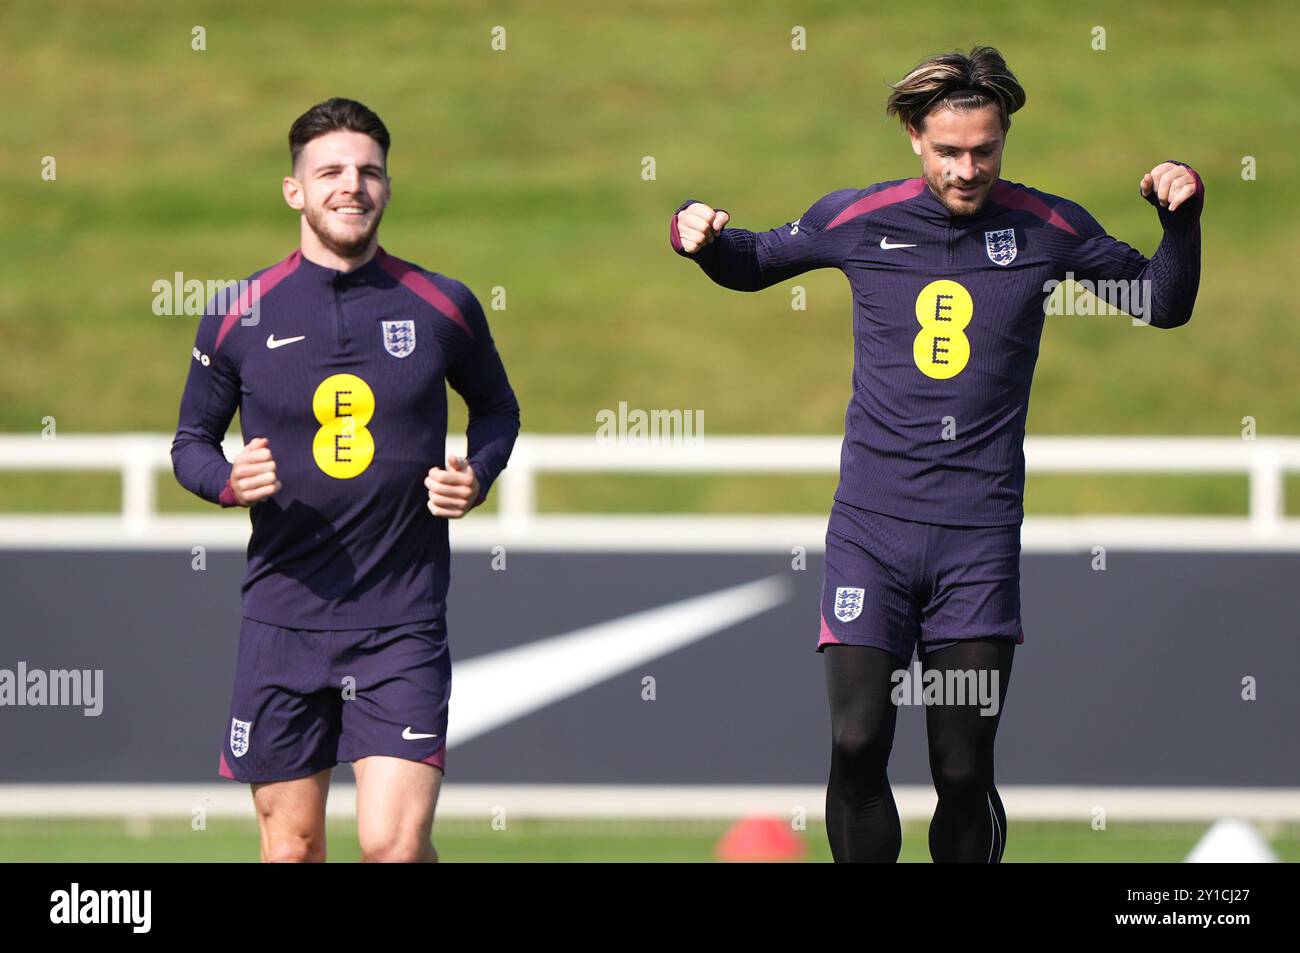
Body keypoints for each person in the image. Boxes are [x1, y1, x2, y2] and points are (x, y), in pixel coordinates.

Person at [669, 46, 1202, 862]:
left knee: (961, 768)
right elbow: (754, 260)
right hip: (870, 532)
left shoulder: (1047, 226)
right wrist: (699, 236)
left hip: (975, 541)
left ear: (1005, 137)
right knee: (855, 743)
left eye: (984, 149)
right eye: (948, 150)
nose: (967, 169)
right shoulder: (860, 217)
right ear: (915, 137)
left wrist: (1181, 219)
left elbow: (1162, 302)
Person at [172, 97, 520, 862]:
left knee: (393, 845)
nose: (351, 185)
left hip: (402, 621)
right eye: (330, 171)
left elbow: (498, 408)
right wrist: (228, 480)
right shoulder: (236, 312)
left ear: (388, 186)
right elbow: (189, 443)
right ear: (294, 190)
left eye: (369, 171)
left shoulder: (442, 304)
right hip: (282, 620)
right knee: (292, 849)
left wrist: (478, 473)